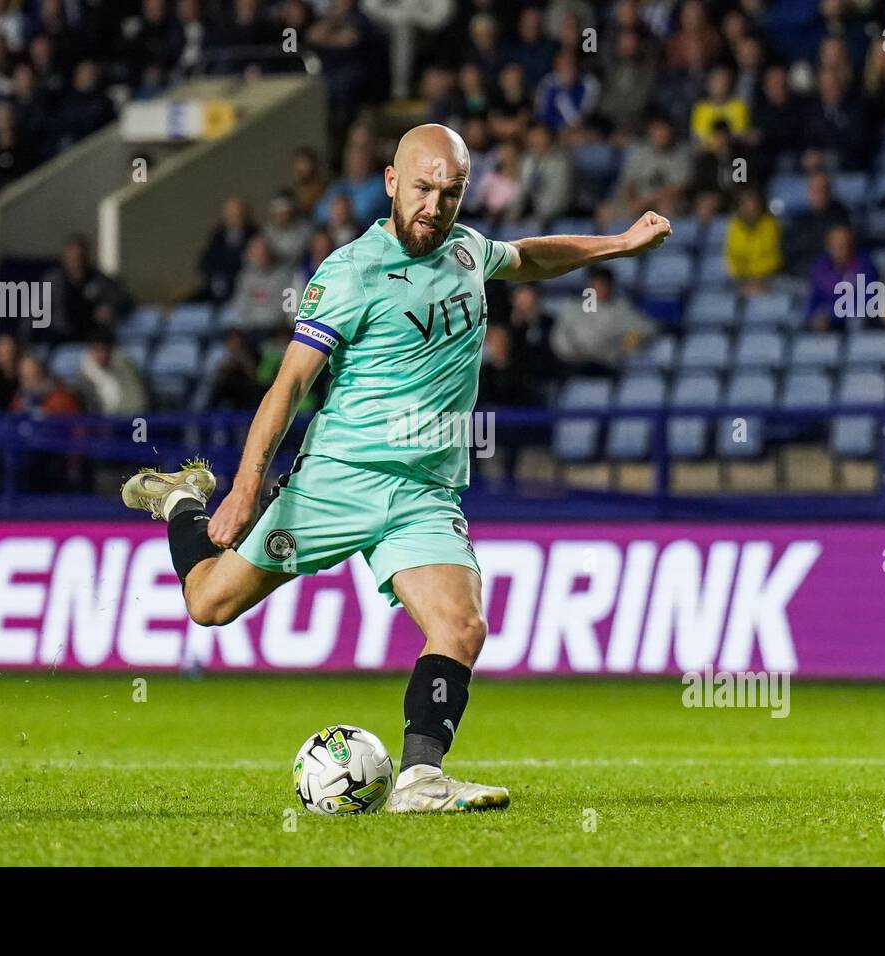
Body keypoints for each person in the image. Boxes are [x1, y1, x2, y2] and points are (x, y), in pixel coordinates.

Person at [120, 123, 671, 813]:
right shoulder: (351, 271)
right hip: (337, 481)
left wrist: (618, 242)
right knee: (209, 604)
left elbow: (528, 258)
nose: (434, 207)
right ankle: (180, 504)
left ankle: (420, 778)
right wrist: (244, 489)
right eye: (422, 189)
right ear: (390, 182)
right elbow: (288, 386)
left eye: (450, 193)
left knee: (462, 627)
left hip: (423, 492)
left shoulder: (469, 249)